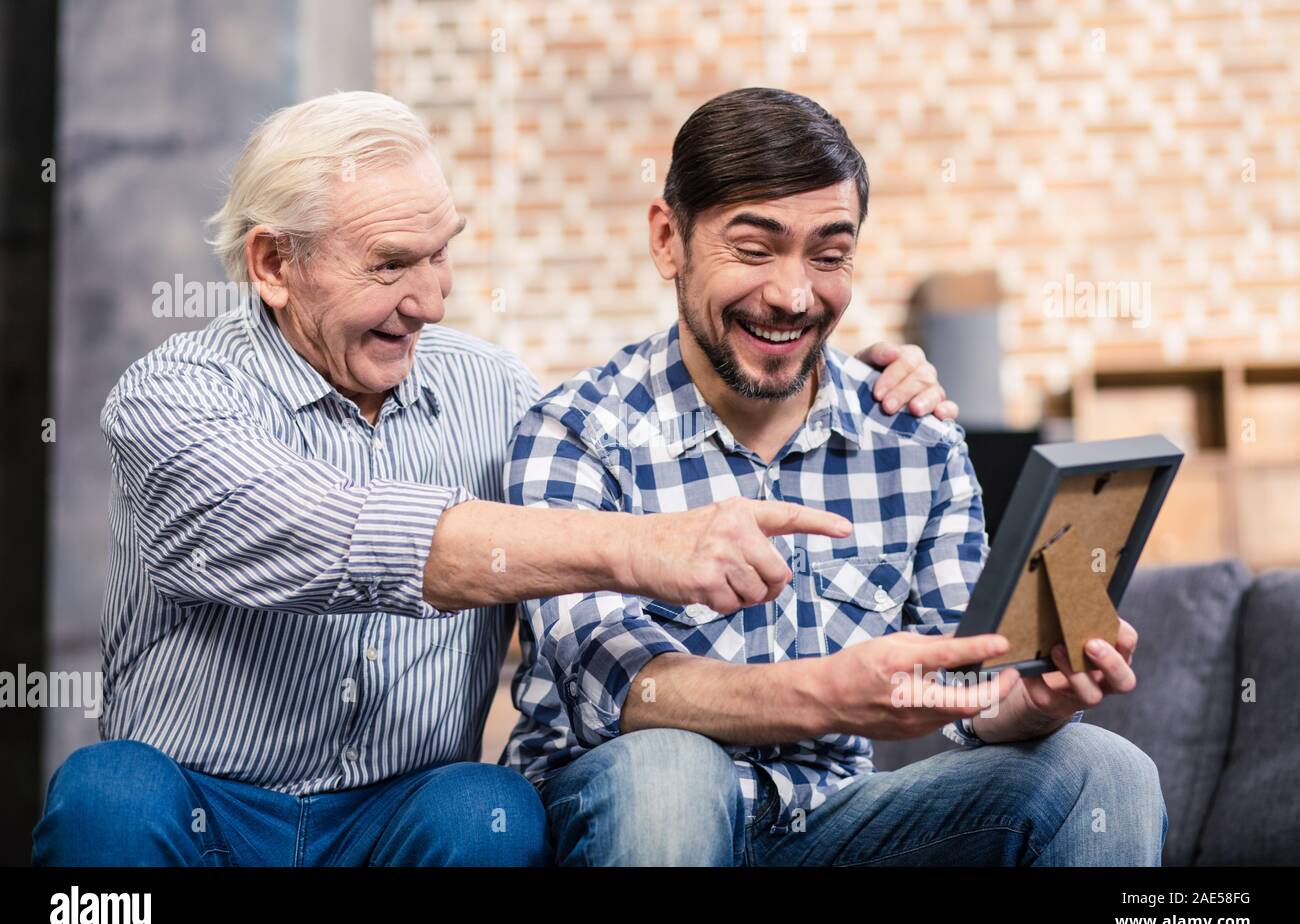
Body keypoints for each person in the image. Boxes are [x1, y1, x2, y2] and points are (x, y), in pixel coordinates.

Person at [31, 90, 953, 866]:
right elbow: (331, 531)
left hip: (396, 817)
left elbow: (650, 412)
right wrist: (644, 550)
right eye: (392, 264)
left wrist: (850, 376)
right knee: (106, 793)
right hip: (203, 806)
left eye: (442, 254)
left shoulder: (497, 392)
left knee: (488, 807)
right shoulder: (173, 397)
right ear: (274, 264)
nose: (430, 301)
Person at [505, 88, 1167, 866]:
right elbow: (616, 689)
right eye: (753, 249)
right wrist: (829, 691)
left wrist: (1033, 699)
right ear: (667, 240)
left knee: (1104, 770)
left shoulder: (915, 439)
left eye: (828, 255)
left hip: (834, 823)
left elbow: (969, 693)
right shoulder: (574, 432)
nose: (793, 296)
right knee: (672, 769)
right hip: (629, 808)